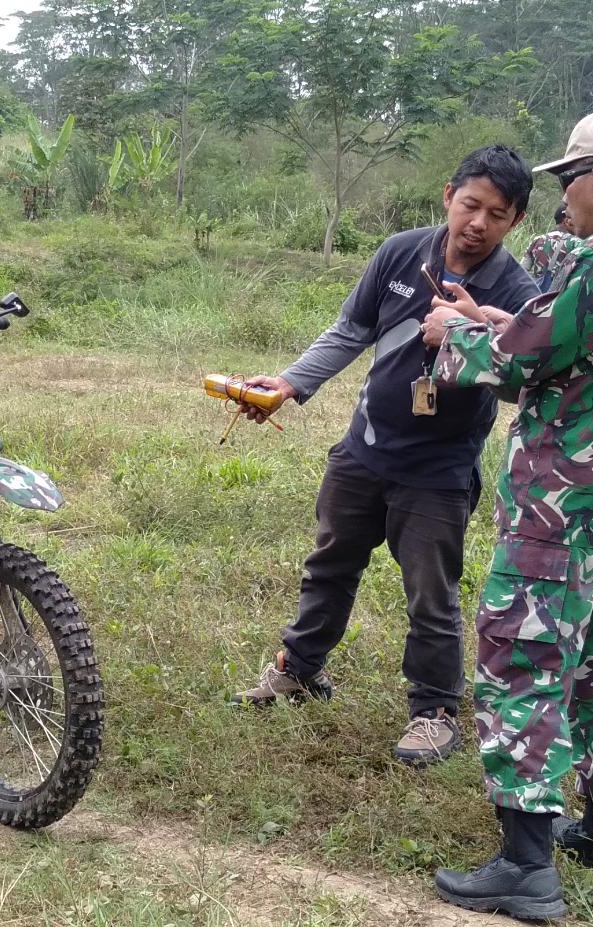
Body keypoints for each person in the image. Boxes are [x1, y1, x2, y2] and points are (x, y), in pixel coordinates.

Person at [420, 110, 593, 919]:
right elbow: (588, 351)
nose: (565, 199)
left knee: (524, 656)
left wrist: (453, 332)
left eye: (568, 182)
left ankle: (526, 864)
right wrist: (496, 318)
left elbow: (521, 361)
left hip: (562, 499)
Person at [228, 146, 540, 767]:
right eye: (471, 205)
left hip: (438, 472)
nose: (478, 223)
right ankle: (299, 669)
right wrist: (288, 384)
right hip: (363, 449)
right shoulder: (401, 252)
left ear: (517, 221)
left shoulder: (520, 292)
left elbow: (521, 386)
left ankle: (434, 711)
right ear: (448, 195)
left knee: (430, 596)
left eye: (497, 215)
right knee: (329, 565)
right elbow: (351, 330)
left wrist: (474, 331)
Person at [521, 200, 581, 293]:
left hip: (534, 294)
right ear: (566, 220)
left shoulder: (538, 239)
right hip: (557, 296)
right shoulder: (577, 244)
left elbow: (523, 269)